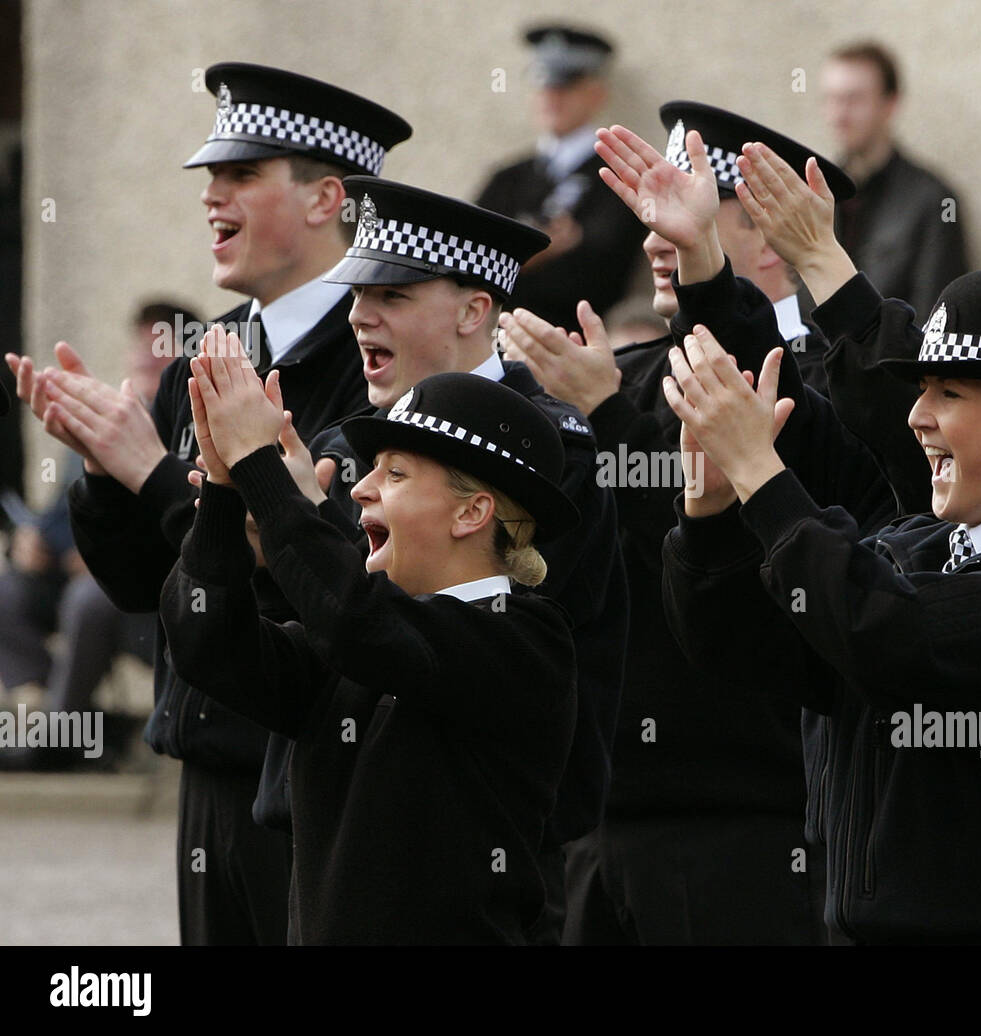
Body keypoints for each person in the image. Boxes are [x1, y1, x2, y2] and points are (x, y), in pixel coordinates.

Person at [5, 62, 410, 945]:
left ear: (324, 197)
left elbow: (316, 567)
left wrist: (151, 472)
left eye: (241, 175)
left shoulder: (372, 358)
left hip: (309, 776)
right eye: (210, 178)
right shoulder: (211, 352)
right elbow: (144, 583)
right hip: (208, 769)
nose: (211, 197)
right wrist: (107, 474)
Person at [501, 117, 909, 944]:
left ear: (775, 237)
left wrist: (609, 412)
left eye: (696, 210)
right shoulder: (633, 370)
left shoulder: (845, 386)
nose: (659, 231)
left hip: (757, 820)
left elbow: (732, 517)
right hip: (609, 815)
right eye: (656, 210)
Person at [661, 270, 981, 943]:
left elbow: (896, 635)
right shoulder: (911, 546)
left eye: (949, 392)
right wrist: (713, 507)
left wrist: (761, 472)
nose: (917, 416)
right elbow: (740, 644)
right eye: (921, 389)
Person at [159, 331, 579, 944]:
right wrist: (226, 489)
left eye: (397, 473)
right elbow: (205, 643)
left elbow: (362, 625)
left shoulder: (524, 637)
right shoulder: (362, 637)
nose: (359, 489)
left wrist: (260, 464)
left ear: (473, 513)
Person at [307, 175, 629, 944]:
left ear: (475, 310)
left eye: (393, 294)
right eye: (357, 294)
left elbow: (443, 635)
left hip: (477, 847)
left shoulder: (551, 453)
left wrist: (298, 522)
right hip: (332, 820)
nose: (361, 315)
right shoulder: (335, 442)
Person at [0, 301, 197, 770]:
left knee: (89, 598)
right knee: (4, 590)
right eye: (141, 346)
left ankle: (59, 735)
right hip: (68, 580)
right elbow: (59, 514)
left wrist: (101, 555)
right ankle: (81, 717)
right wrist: (26, 544)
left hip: (142, 599)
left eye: (161, 346)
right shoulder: (101, 419)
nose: (147, 357)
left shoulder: (190, 429)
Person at [475, 24, 645, 329]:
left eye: (566, 86)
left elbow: (602, 273)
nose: (551, 97)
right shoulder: (507, 178)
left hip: (577, 341)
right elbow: (469, 257)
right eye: (543, 85)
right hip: (495, 337)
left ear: (596, 94)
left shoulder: (618, 178)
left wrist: (511, 259)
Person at [821, 40, 968, 319]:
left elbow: (937, 321)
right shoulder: (814, 193)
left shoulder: (933, 201)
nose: (838, 115)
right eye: (831, 99)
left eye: (854, 99)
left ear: (890, 103)